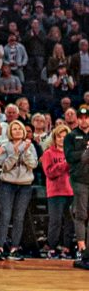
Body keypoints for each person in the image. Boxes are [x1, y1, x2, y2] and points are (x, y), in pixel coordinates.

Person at [0, 119, 38, 260]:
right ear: (10, 132)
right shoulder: (5, 146)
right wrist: (16, 153)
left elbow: (33, 164)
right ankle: (0, 247)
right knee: (5, 215)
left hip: (25, 185)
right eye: (14, 129)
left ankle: (14, 248)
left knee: (19, 217)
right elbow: (4, 166)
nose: (17, 131)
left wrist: (25, 152)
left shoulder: (29, 146)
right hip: (7, 184)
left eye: (19, 128)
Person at [41, 124, 73, 259]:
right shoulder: (48, 153)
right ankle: (52, 247)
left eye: (65, 137)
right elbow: (49, 173)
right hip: (55, 192)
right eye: (59, 137)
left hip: (71, 191)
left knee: (70, 221)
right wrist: (65, 163)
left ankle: (67, 248)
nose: (62, 139)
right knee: (56, 221)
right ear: (54, 138)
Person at [64, 105, 89, 269]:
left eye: (86, 117)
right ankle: (82, 250)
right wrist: (85, 153)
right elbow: (69, 157)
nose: (83, 120)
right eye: (80, 117)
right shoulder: (71, 136)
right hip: (80, 179)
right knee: (80, 215)